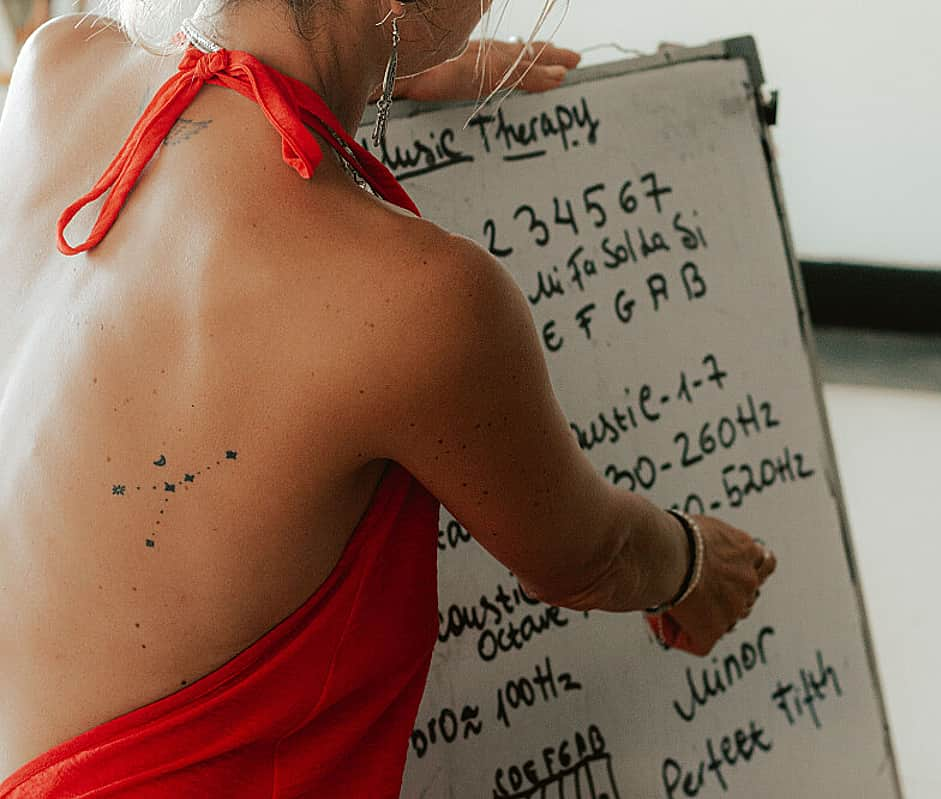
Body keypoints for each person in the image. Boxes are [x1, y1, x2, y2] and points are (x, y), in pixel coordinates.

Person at [0, 0, 777, 793]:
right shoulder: (422, 298)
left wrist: (371, 58)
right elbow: (589, 556)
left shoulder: (54, 65)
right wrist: (695, 565)